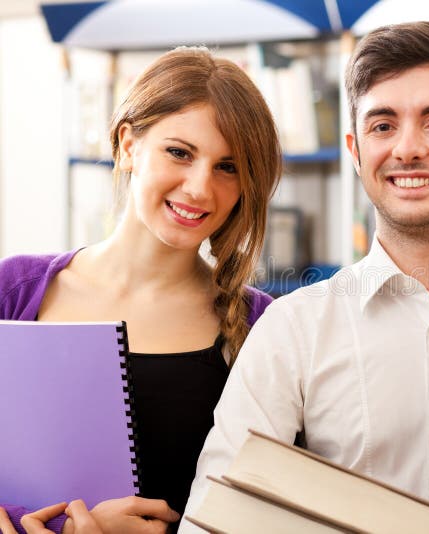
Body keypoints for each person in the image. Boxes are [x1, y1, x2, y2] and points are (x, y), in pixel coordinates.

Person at [181, 21, 429, 534]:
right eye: (383, 125)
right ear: (354, 150)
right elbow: (215, 517)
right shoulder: (294, 329)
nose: (408, 148)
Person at [0, 46, 282, 533]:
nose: (199, 188)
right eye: (179, 152)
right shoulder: (14, 292)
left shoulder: (264, 326)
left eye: (228, 167)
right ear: (129, 144)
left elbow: (271, 514)